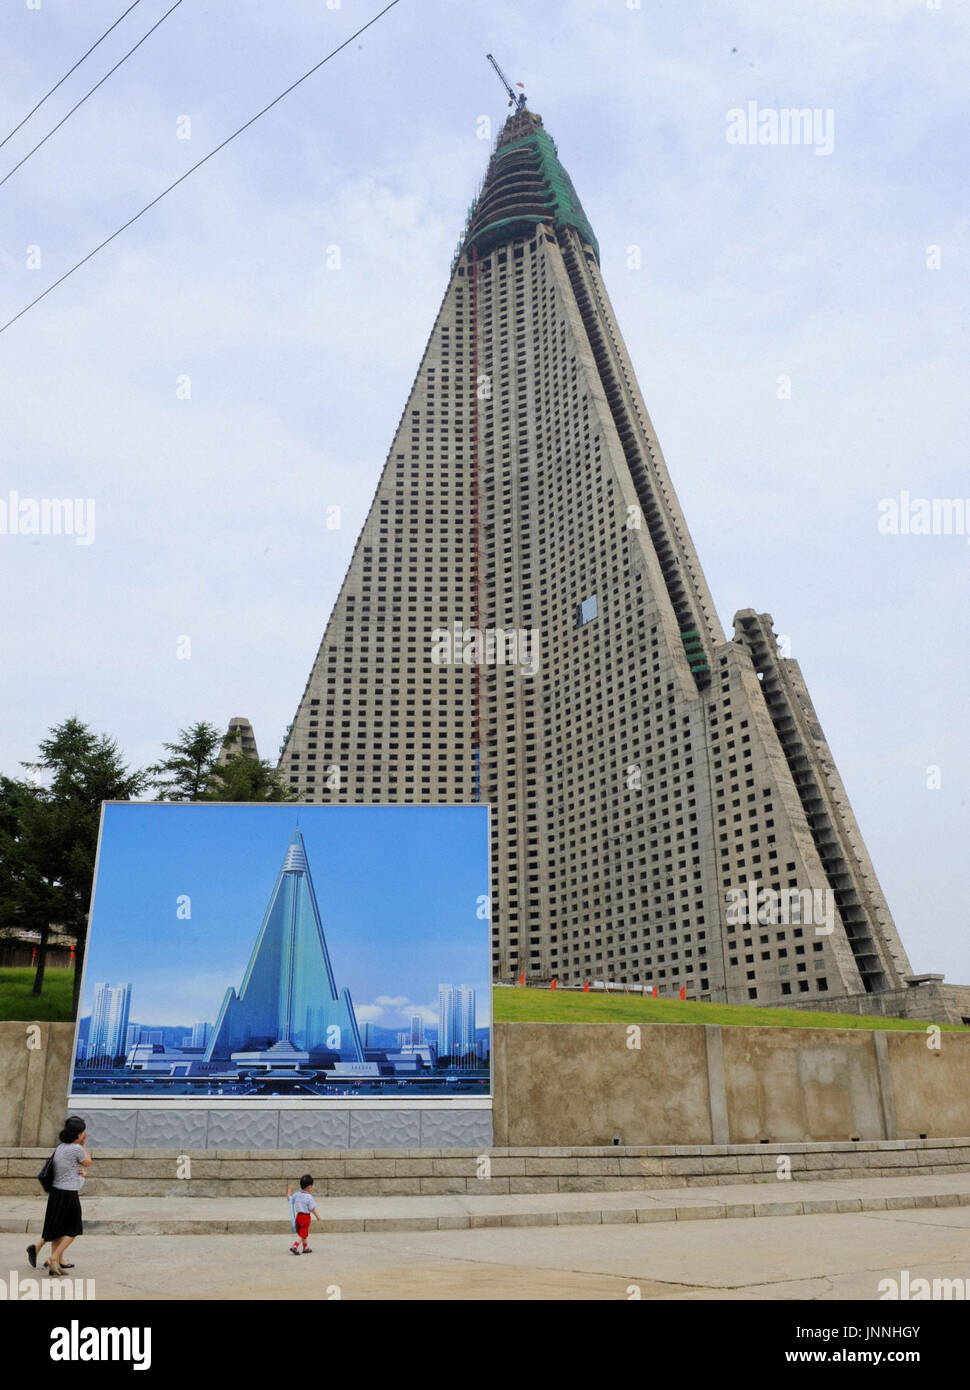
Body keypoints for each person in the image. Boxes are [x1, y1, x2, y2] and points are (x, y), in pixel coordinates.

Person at [27, 1115, 91, 1277]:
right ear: (78, 1133)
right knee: (74, 1229)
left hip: (56, 1193)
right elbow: (87, 1162)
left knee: (59, 1229)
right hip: (68, 1194)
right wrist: (83, 1145)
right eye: (83, 1132)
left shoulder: (61, 1147)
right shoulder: (76, 1148)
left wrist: (80, 1174)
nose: (85, 1134)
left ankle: (55, 1264)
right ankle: (53, 1258)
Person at [286, 1173, 319, 1255]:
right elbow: (312, 1209)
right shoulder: (309, 1197)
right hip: (305, 1218)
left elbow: (289, 1199)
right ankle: (295, 1246)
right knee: (303, 1233)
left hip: (298, 1217)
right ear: (309, 1187)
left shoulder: (297, 1195)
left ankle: (305, 1247)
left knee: (303, 1232)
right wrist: (317, 1216)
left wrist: (289, 1190)